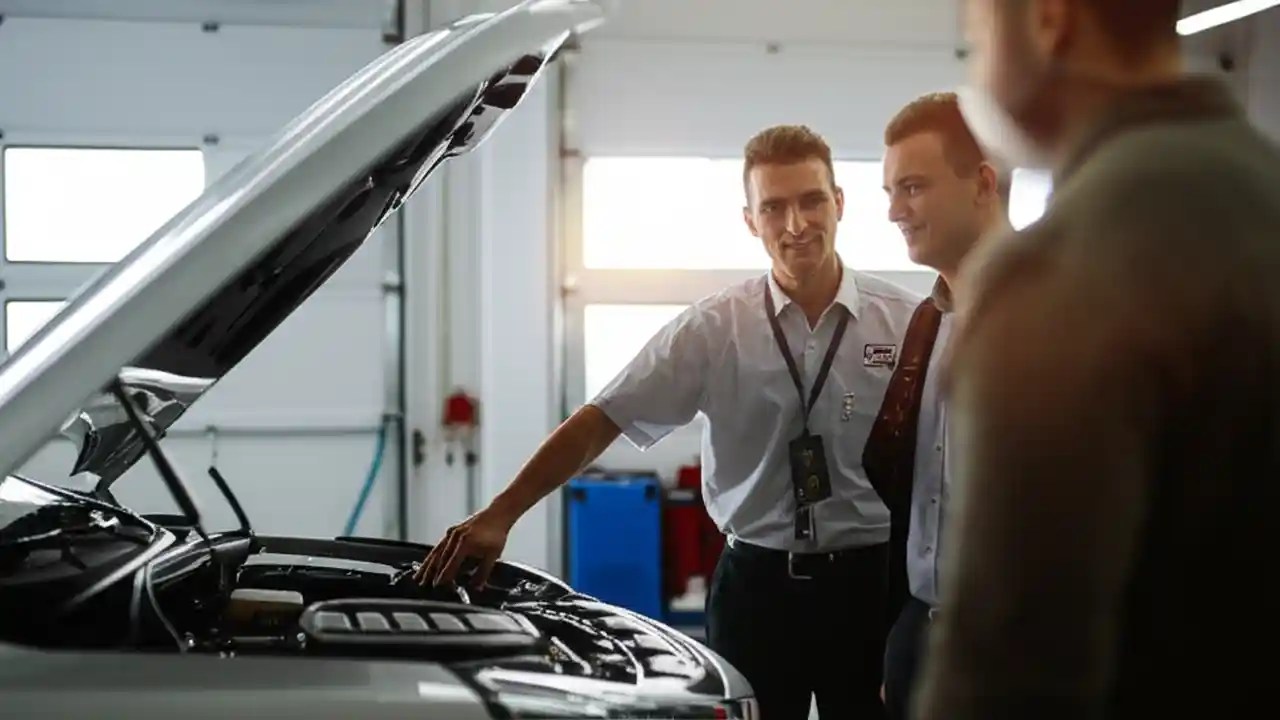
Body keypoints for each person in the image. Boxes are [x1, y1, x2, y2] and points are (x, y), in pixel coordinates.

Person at [416, 124, 919, 719]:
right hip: (756, 590)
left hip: (872, 587)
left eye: (811, 201)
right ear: (749, 220)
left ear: (839, 203)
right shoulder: (713, 329)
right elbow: (602, 418)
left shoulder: (907, 324)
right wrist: (499, 515)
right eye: (773, 207)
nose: (795, 225)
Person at [909, 1, 1280, 718]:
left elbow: (1008, 682)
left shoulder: (1063, 272)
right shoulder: (1261, 192)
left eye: (978, 36)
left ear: (1050, 18)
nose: (976, 67)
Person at [861, 91, 1010, 720]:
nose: (895, 210)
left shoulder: (1065, 315)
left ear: (982, 183)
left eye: (914, 187)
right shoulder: (927, 322)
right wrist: (905, 641)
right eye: (890, 191)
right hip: (924, 631)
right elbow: (918, 495)